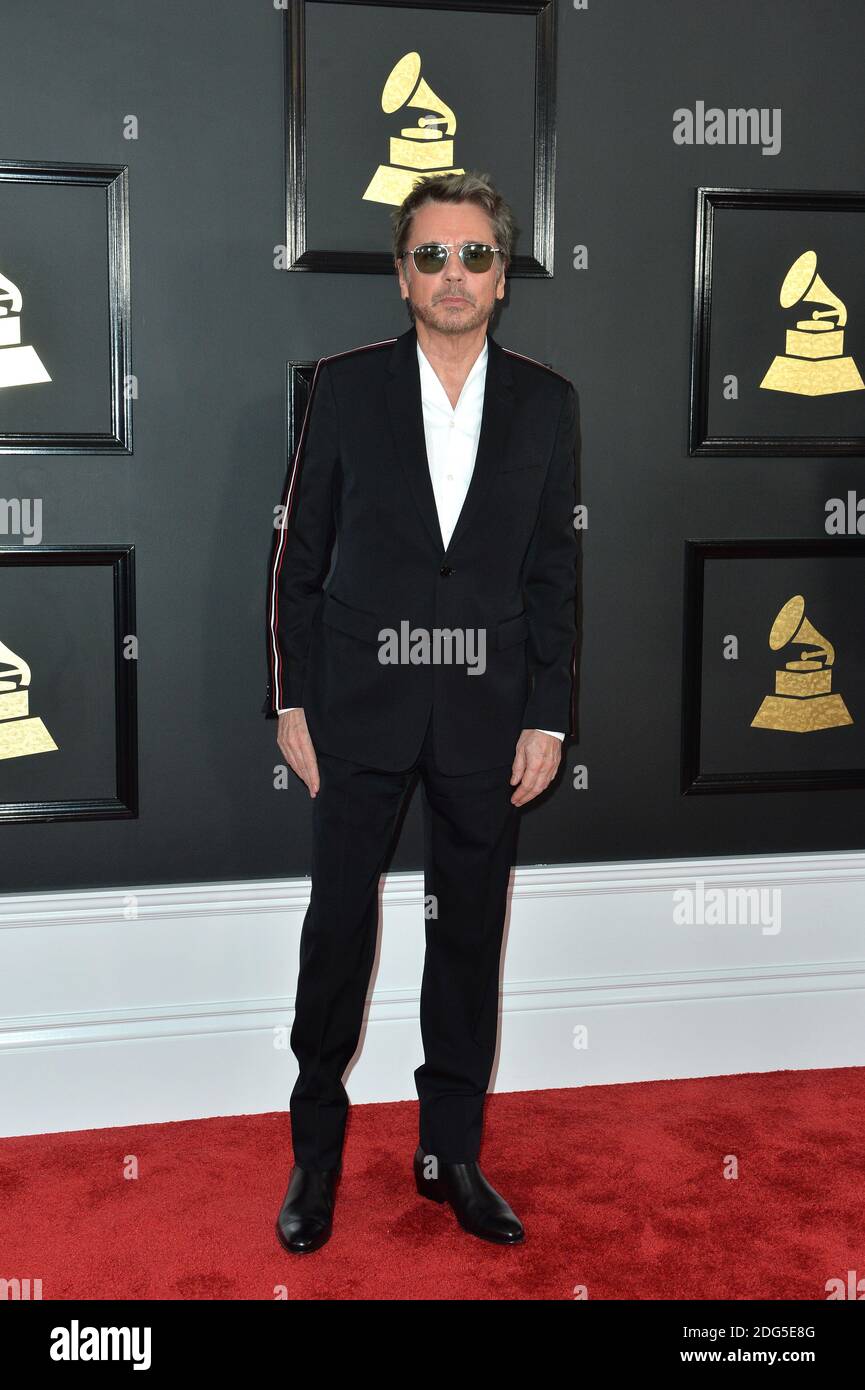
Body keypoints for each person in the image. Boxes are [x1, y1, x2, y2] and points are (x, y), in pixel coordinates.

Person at [263, 170, 580, 1253]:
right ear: (402, 275)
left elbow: (553, 573)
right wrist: (292, 693)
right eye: (432, 255)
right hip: (357, 703)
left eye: (475, 255)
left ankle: (452, 1159)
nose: (454, 273)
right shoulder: (345, 389)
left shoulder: (546, 402)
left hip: (487, 718)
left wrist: (548, 714)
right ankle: (314, 1161)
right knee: (336, 930)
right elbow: (296, 558)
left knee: (468, 938)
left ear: (502, 279)